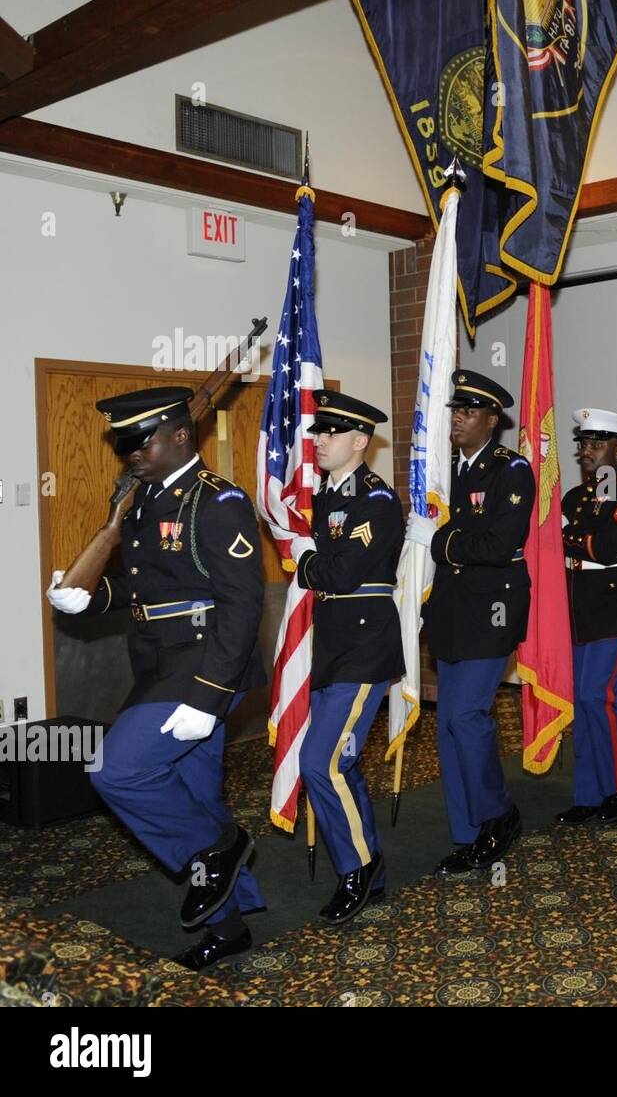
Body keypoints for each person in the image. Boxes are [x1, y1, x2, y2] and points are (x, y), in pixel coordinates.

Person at [46, 386, 265, 971]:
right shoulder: (141, 500)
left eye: (140, 441)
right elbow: (141, 590)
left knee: (116, 769)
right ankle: (230, 921)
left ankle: (223, 851)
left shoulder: (218, 503)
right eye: (124, 444)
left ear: (179, 436)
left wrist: (210, 695)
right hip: (159, 664)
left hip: (204, 664)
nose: (130, 454)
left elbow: (242, 605)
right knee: (193, 797)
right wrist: (84, 597)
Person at [408, 370, 533, 874]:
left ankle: (498, 814)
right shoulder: (447, 470)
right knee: (448, 728)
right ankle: (468, 830)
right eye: (454, 411)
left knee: (466, 716)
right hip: (451, 610)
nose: (456, 419)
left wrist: (438, 540)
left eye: (467, 411)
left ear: (492, 419)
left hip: (492, 610)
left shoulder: (511, 470)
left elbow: (498, 546)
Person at [290, 389, 404, 923]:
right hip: (332, 643)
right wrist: (314, 557)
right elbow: (328, 568)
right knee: (342, 761)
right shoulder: (328, 497)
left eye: (331, 432)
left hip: (363, 646)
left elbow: (337, 574)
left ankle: (355, 868)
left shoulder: (375, 501)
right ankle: (371, 865)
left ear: (360, 441)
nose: (319, 440)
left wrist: (304, 557)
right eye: (318, 431)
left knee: (321, 762)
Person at [555, 408, 617, 826]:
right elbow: (568, 547)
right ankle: (589, 793)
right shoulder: (574, 498)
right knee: (581, 699)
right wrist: (577, 541)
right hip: (579, 604)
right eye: (582, 444)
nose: (586, 452)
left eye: (596, 445)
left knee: (600, 694)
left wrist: (569, 539)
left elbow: (609, 548)